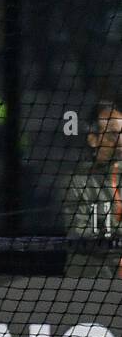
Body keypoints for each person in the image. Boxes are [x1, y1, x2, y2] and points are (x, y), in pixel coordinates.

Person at [63, 100, 122, 278]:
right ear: (93, 139)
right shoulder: (77, 182)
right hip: (90, 285)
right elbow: (78, 233)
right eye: (113, 134)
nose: (121, 141)